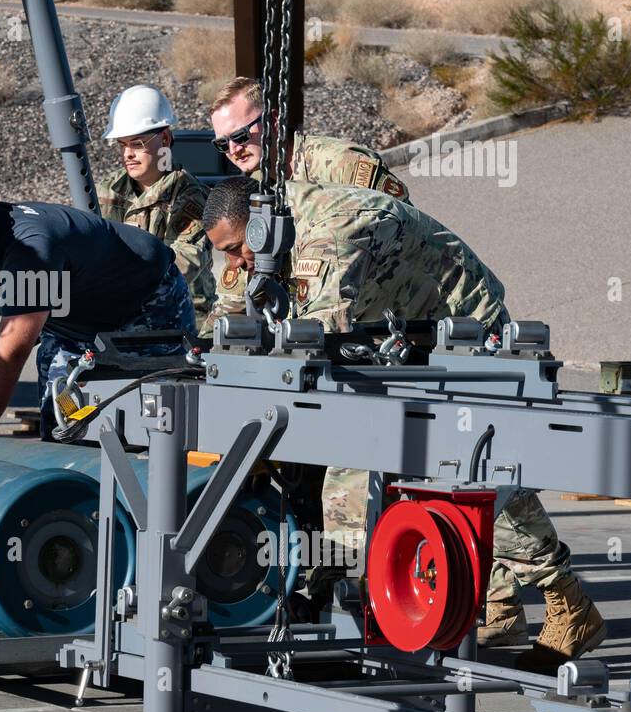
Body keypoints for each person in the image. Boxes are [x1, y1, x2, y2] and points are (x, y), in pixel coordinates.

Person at [202, 176, 606, 670]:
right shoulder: (272, 233)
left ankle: (565, 601)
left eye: (237, 248)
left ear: (261, 227)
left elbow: (316, 331)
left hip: (465, 332)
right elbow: (241, 314)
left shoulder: (332, 229)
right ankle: (346, 596)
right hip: (399, 337)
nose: (235, 262)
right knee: (350, 466)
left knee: (479, 466)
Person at [0, 169, 195, 442]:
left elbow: (10, 353)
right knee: (65, 426)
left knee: (155, 425)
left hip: (148, 303)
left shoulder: (31, 245)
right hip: (71, 329)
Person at [202, 76, 411, 335]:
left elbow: (405, 234)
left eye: (241, 135)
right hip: (318, 325)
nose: (234, 149)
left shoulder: (343, 167)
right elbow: (239, 283)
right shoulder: (251, 191)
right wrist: (209, 342)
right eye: (223, 144)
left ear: (273, 121)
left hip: (392, 314)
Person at [95, 85, 215, 320]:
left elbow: (179, 266)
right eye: (123, 144)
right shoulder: (106, 190)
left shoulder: (191, 196)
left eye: (137, 143)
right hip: (121, 314)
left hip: (182, 318)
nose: (128, 153)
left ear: (165, 139)